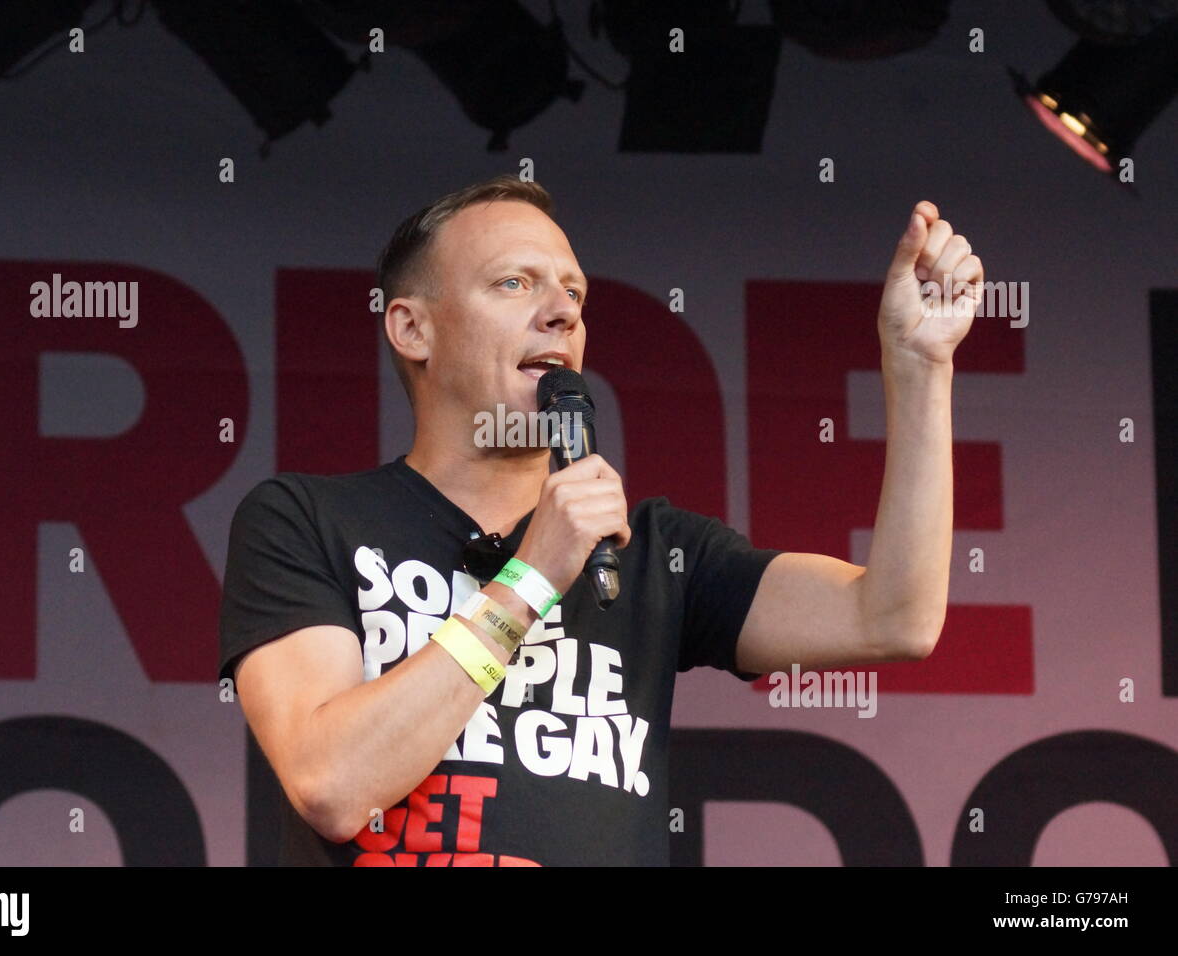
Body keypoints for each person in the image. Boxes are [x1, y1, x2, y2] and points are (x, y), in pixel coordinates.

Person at [218, 175, 982, 866]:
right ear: (413, 329)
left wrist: (920, 370)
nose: (559, 312)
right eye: (513, 283)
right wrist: (529, 580)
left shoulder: (652, 554)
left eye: (574, 295)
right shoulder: (305, 520)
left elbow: (894, 618)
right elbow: (333, 784)